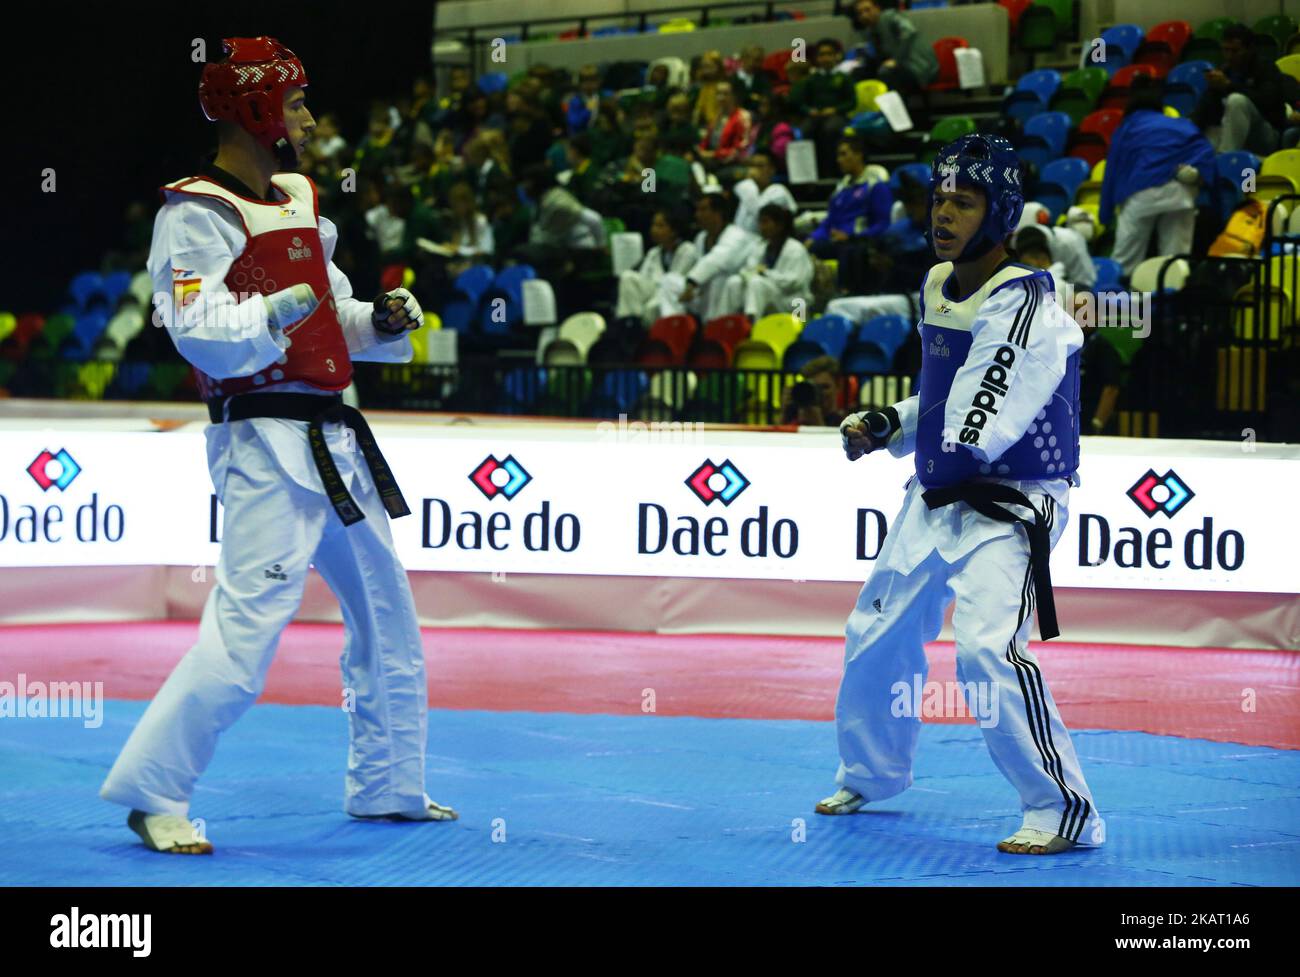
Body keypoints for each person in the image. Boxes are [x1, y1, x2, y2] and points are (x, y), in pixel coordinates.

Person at [100, 37, 458, 855]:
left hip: (334, 434)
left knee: (388, 616)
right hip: (261, 442)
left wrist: (381, 321)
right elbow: (197, 333)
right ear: (257, 107)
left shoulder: (297, 196)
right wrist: (277, 309)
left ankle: (389, 785)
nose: (309, 115)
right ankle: (153, 790)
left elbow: (335, 314)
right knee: (248, 630)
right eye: (296, 101)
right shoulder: (193, 212)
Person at [819, 134, 1106, 856]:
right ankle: (872, 772)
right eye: (939, 199)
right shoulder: (936, 285)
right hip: (939, 490)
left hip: (1011, 500)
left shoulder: (1027, 304)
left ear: (1000, 212)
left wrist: (924, 443)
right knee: (874, 633)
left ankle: (1064, 808)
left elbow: (979, 412)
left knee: (985, 651)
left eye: (964, 201)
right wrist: (891, 423)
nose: (944, 214)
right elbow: (941, 396)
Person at [1101, 79, 1216, 276]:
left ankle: (1121, 305)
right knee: (1176, 264)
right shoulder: (1181, 125)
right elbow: (1206, 152)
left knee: (1125, 263)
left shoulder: (1127, 128)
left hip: (1141, 194)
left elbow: (1112, 170)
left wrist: (1105, 214)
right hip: (1181, 194)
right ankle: (1173, 305)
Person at [807, 134, 894, 292]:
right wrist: (812, 238)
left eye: (844, 154)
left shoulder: (876, 186)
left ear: (859, 154)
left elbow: (883, 223)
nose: (839, 160)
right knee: (808, 250)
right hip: (836, 242)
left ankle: (847, 292)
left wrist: (852, 236)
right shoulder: (841, 189)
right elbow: (829, 221)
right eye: (838, 155)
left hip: (858, 242)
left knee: (850, 251)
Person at [660, 192, 754, 321]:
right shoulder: (701, 237)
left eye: (703, 210)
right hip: (702, 292)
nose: (697, 215)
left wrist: (692, 283)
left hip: (729, 292)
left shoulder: (736, 235)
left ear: (718, 213)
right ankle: (674, 326)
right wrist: (691, 285)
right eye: (697, 210)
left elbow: (716, 260)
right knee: (669, 280)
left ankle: (714, 327)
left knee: (718, 277)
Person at [1197, 23, 1286, 155]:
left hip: (1266, 134)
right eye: (1225, 50)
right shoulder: (1225, 70)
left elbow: (1267, 103)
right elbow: (1207, 111)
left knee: (1237, 100)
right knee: (1204, 135)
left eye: (1235, 51)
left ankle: (1225, 160)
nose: (1229, 56)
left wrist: (1229, 86)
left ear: (1250, 49)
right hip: (1235, 130)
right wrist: (1214, 90)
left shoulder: (1265, 67)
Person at [723, 204, 814, 319]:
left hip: (796, 302)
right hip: (773, 296)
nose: (761, 227)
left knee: (757, 283)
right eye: (760, 222)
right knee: (734, 281)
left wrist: (765, 273)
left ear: (779, 225)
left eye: (765, 222)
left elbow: (794, 282)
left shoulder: (795, 249)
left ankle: (752, 326)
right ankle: (731, 324)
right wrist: (749, 274)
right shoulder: (761, 247)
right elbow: (750, 268)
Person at [616, 207, 699, 326]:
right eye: (653, 225)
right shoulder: (653, 253)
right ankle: (629, 322)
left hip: (675, 297)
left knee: (652, 307)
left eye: (660, 226)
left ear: (673, 230)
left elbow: (675, 283)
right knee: (627, 277)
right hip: (654, 291)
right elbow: (643, 281)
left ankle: (638, 327)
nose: (653, 230)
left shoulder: (688, 250)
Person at [854, 0, 939, 97]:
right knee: (861, 73)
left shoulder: (891, 17)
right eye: (860, 13)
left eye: (867, 10)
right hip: (898, 68)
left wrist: (896, 60)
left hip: (919, 68)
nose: (864, 15)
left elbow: (909, 32)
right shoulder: (870, 32)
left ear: (877, 8)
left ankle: (895, 111)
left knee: (888, 74)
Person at [732, 151, 798, 236]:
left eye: (759, 166)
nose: (753, 170)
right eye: (752, 165)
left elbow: (759, 216)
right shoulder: (747, 190)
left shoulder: (778, 191)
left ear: (772, 170)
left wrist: (747, 186)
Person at [696, 80, 753, 172]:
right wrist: (700, 151)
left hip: (731, 164)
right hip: (712, 161)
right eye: (718, 94)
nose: (721, 98)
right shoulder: (717, 116)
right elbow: (706, 141)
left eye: (726, 94)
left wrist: (714, 154)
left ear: (734, 96)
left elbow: (740, 149)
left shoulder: (742, 117)